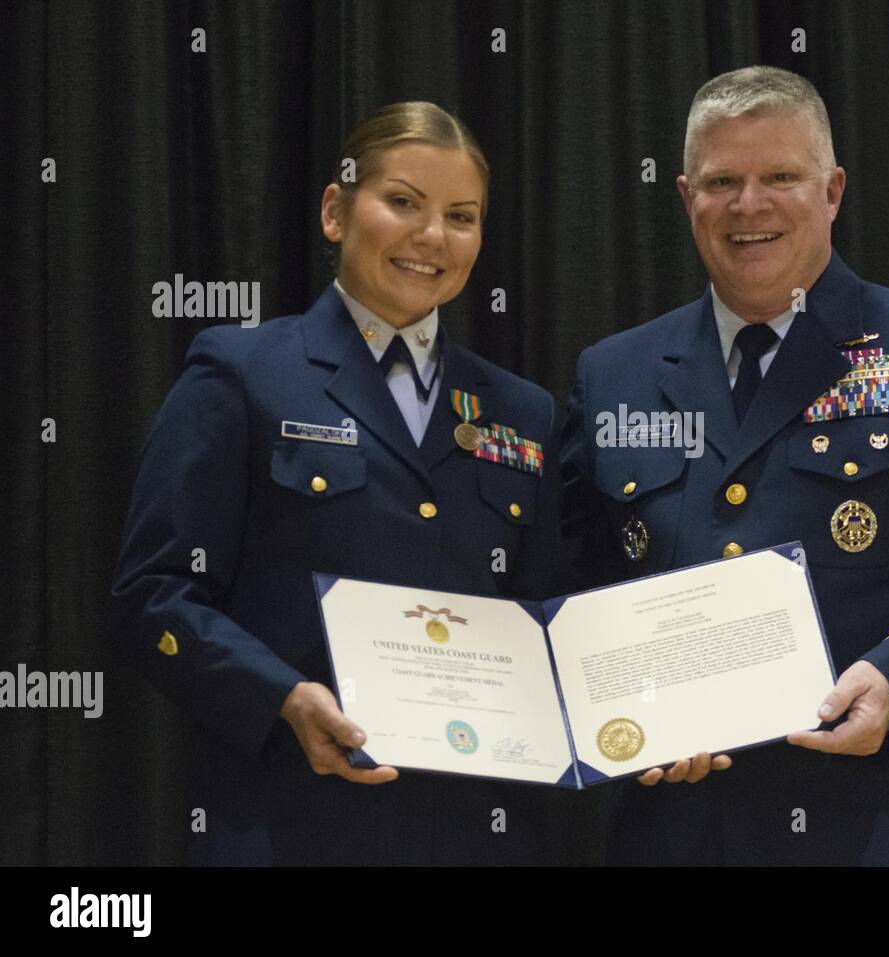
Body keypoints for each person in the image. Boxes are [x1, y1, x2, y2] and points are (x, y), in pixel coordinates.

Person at [559, 66, 889, 865]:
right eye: (723, 180)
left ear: (833, 190)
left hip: (880, 823)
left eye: (781, 178)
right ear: (684, 196)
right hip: (680, 829)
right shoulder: (614, 374)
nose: (749, 205)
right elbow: (576, 583)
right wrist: (624, 707)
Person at [109, 101, 580, 865]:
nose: (432, 236)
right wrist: (281, 697)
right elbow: (151, 593)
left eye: (461, 216)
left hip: (470, 833)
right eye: (403, 202)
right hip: (287, 821)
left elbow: (546, 620)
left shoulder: (521, 409)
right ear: (336, 210)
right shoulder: (243, 371)